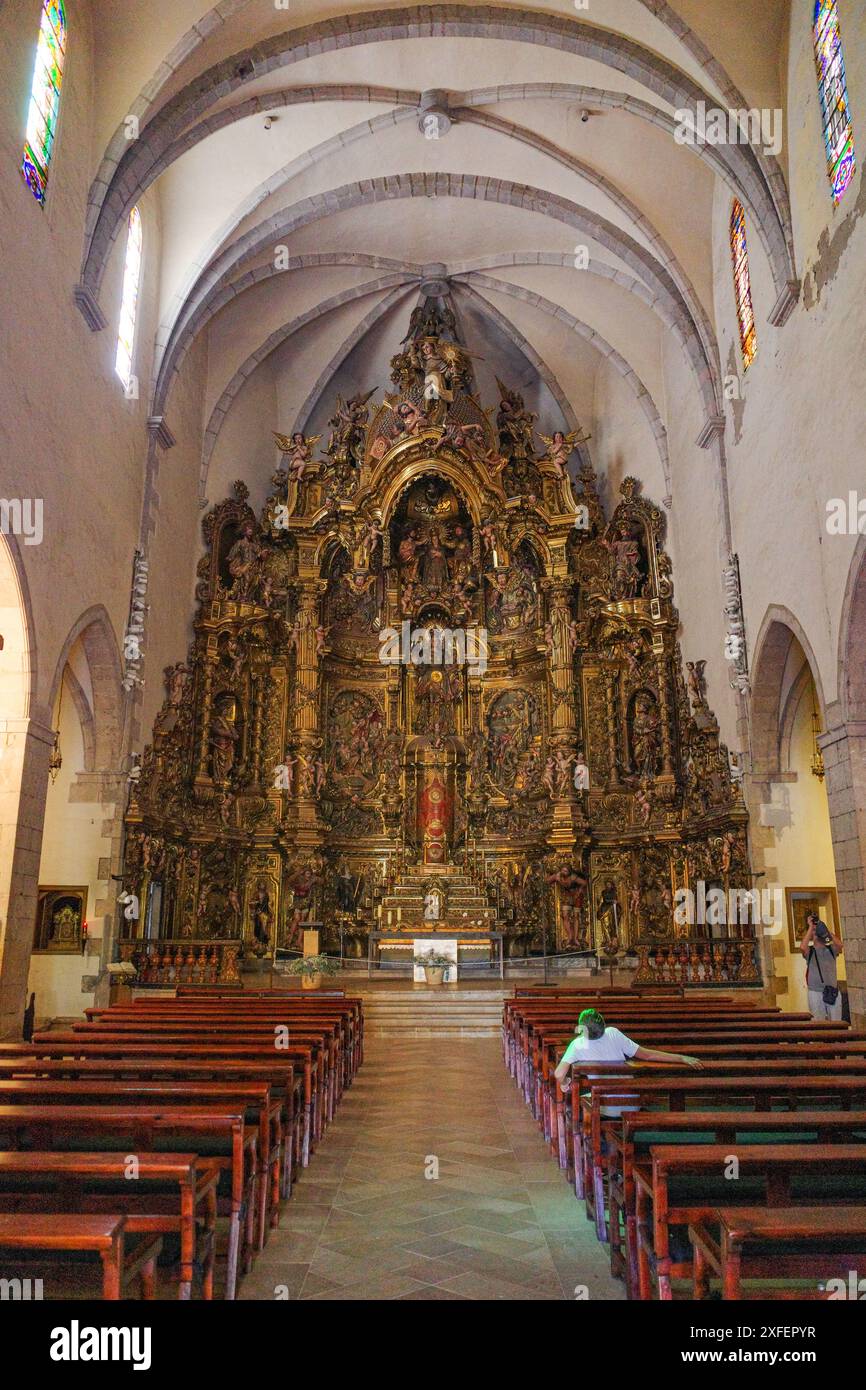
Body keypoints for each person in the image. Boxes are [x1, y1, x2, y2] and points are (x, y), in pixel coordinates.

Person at [553, 1008, 702, 1118]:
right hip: (631, 1102)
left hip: (605, 1107)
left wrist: (565, 1083)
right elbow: (647, 1055)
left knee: (576, 1099)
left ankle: (589, 1139)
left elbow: (559, 1074)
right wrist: (680, 1058)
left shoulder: (577, 1045)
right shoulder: (613, 1033)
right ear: (603, 1023)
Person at [801, 911, 844, 1020]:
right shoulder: (810, 951)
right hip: (815, 992)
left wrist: (825, 930)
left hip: (832, 991)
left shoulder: (831, 949)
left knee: (836, 1022)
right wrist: (811, 927)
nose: (817, 934)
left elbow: (840, 945)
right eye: (815, 933)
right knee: (818, 1022)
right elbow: (802, 947)